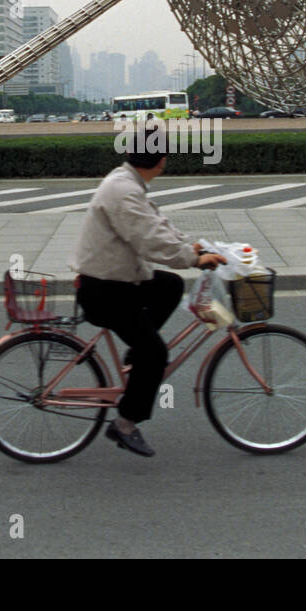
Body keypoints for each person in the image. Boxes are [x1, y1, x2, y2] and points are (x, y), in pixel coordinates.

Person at [70, 122, 226, 458]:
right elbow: (149, 239)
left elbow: (156, 225)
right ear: (162, 159)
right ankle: (125, 424)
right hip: (105, 292)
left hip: (114, 283)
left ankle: (134, 355)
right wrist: (194, 260)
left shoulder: (127, 182)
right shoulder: (125, 191)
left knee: (169, 285)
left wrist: (191, 245)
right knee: (156, 354)